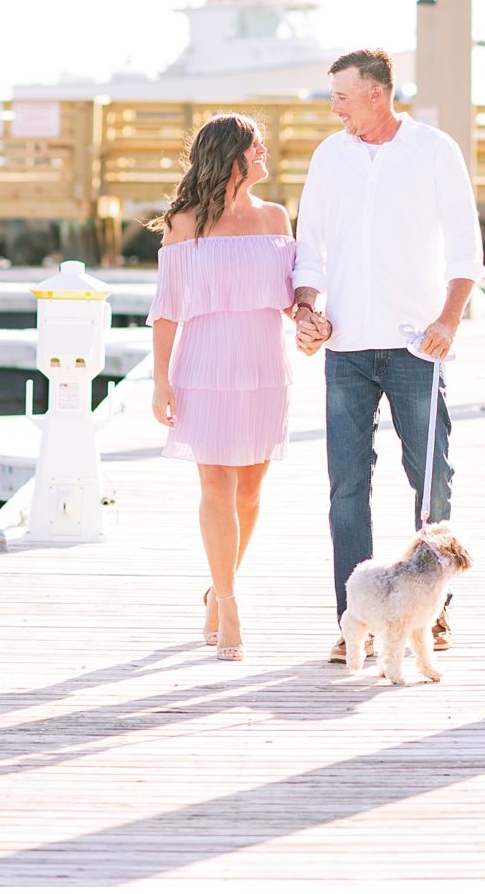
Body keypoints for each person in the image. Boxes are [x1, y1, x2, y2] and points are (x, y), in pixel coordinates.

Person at [291, 47, 485, 664]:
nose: (335, 107)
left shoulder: (434, 151)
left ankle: (434, 614)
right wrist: (305, 306)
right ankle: (355, 624)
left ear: (377, 94)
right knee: (347, 488)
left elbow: (464, 246)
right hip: (345, 346)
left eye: (342, 96)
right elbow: (310, 245)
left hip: (415, 346)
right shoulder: (330, 156)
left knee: (431, 481)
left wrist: (448, 320)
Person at [146, 113, 296, 661]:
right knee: (216, 487)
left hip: (264, 367)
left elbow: (289, 296)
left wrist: (310, 316)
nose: (264, 153)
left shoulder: (277, 217)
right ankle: (229, 604)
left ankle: (217, 584)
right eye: (256, 146)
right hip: (204, 367)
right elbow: (167, 312)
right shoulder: (185, 223)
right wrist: (160, 382)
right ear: (230, 154)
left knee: (251, 489)